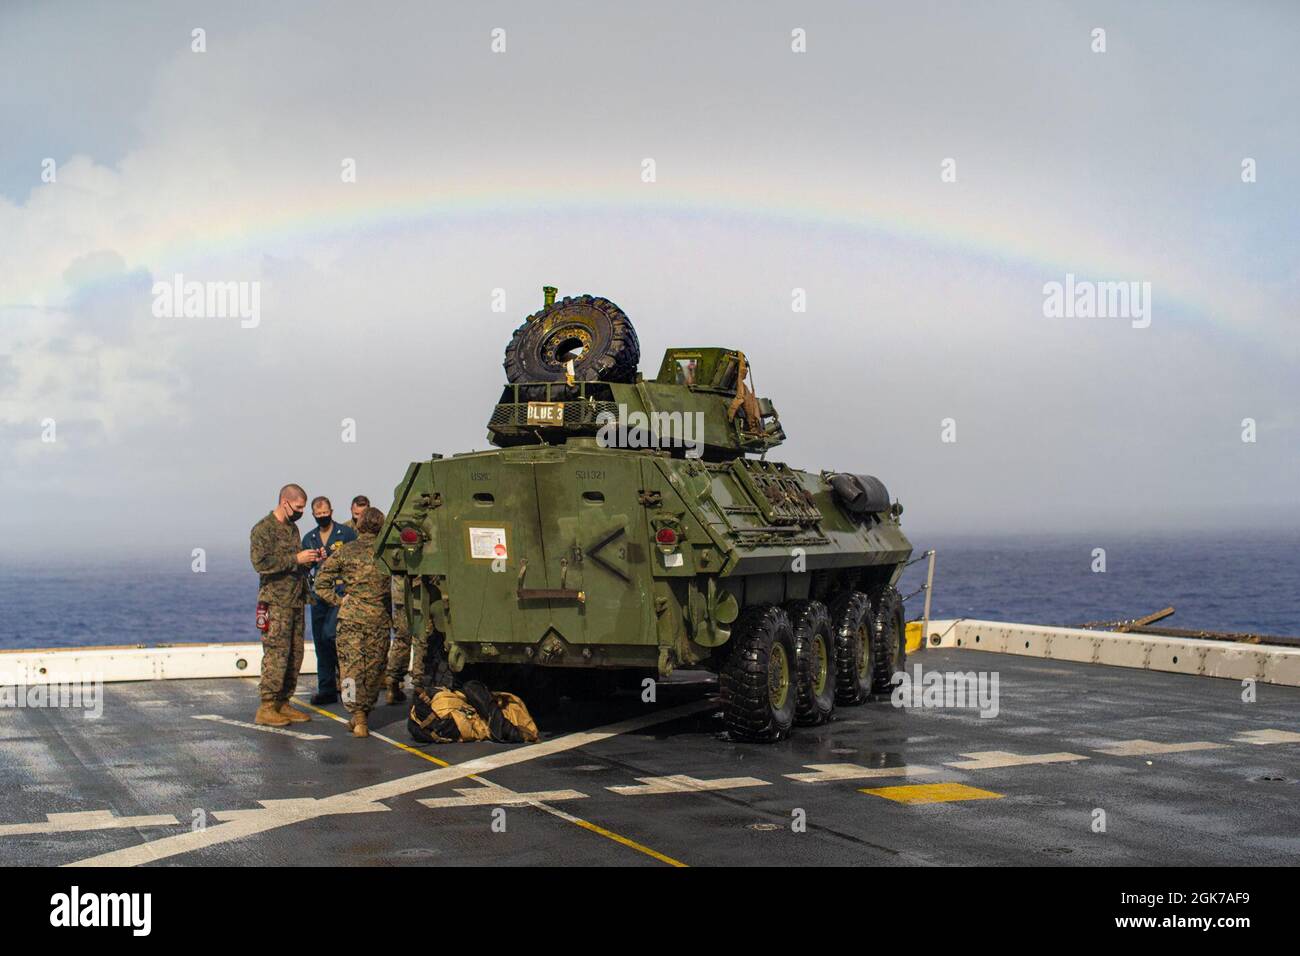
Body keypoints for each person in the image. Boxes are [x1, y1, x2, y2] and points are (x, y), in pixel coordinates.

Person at [313, 506, 392, 738]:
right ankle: (364, 714)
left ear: (358, 526)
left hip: (351, 619)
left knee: (350, 669)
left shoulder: (346, 552)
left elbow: (321, 582)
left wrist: (338, 600)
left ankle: (356, 717)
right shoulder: (386, 553)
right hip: (378, 618)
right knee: (374, 668)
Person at [249, 483, 322, 727]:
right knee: (276, 655)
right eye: (299, 507)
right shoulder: (263, 529)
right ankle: (267, 706)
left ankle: (283, 701)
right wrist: (295, 559)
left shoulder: (292, 528)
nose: (301, 511)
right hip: (275, 602)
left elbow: (294, 564)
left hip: (295, 600)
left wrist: (309, 560)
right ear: (285, 502)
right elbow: (261, 563)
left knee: (294, 654)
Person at [301, 496, 356, 704]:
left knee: (333, 636)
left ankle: (347, 685)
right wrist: (311, 560)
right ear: (314, 515)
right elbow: (304, 568)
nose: (323, 517)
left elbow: (355, 560)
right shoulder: (310, 538)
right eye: (319, 515)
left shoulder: (347, 533)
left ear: (331, 511)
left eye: (326, 514)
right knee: (320, 642)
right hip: (318, 596)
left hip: (340, 592)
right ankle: (326, 689)